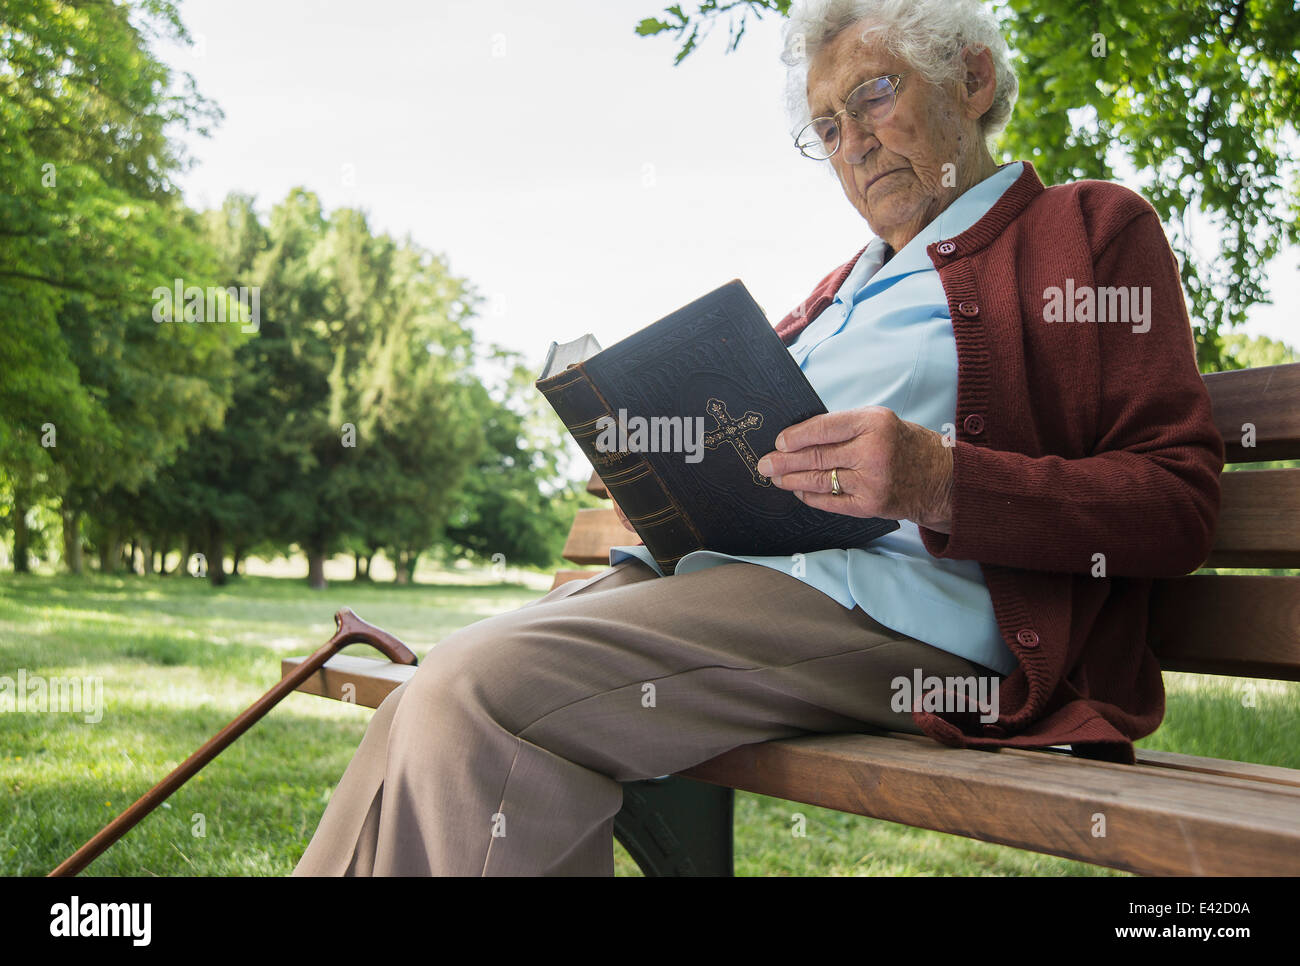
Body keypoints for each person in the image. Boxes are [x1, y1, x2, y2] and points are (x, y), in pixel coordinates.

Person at [293, 0, 1222, 876]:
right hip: (747, 588)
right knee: (436, 691)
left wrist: (939, 481)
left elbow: (1176, 505)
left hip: (911, 622)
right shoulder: (837, 289)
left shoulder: (1089, 231)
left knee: (481, 695)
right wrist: (656, 471)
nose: (852, 144)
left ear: (972, 79)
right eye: (825, 128)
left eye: (873, 95)